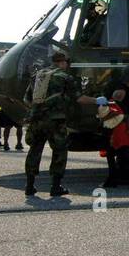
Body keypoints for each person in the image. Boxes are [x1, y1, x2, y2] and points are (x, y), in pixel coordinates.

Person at [24, 50, 94, 197]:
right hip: (56, 121)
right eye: (66, 63)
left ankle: (29, 186)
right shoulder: (64, 77)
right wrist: (97, 100)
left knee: (34, 150)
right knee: (59, 151)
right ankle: (56, 187)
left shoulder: (38, 76)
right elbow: (79, 98)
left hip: (36, 120)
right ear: (62, 62)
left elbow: (27, 99)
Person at [99, 88, 129, 189]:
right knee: (113, 159)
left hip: (118, 137)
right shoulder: (122, 105)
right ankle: (111, 181)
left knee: (123, 161)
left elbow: (113, 114)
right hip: (118, 137)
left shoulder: (112, 104)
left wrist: (103, 118)